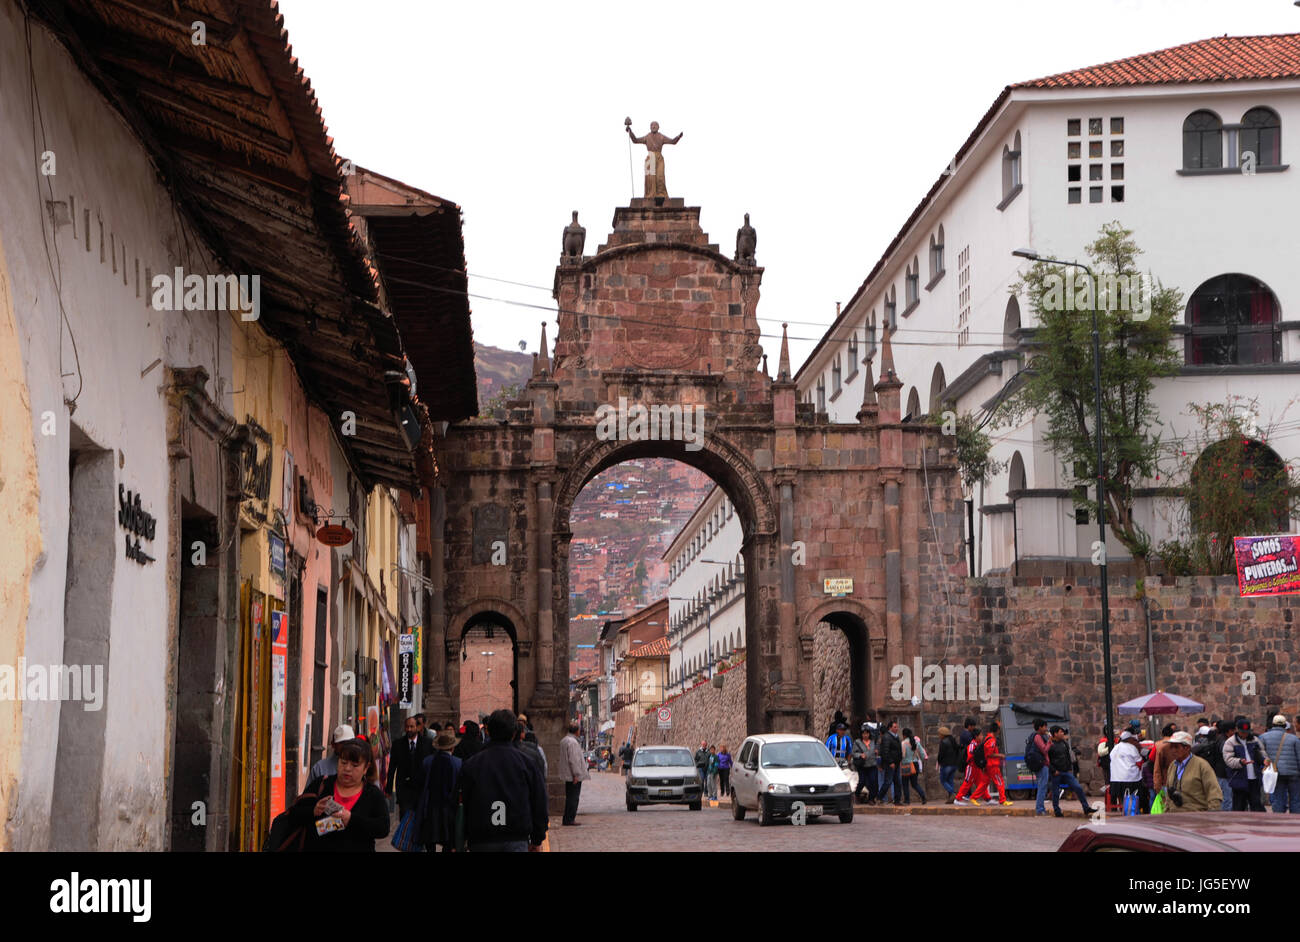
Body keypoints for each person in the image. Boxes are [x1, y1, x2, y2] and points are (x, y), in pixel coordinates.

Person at [459, 709, 548, 852]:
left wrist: (459, 839)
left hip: (481, 839)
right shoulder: (526, 764)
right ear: (514, 733)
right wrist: (537, 838)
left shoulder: (472, 765)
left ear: (488, 731)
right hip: (516, 838)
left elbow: (462, 803)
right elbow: (539, 802)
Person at [287, 737, 390, 852]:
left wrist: (351, 820)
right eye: (343, 762)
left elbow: (383, 828)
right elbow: (293, 814)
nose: (347, 768)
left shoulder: (373, 794)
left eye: (355, 765)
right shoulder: (322, 784)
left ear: (366, 768)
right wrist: (313, 810)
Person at [417, 728, 462, 852]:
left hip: (430, 807)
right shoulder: (458, 763)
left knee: (430, 839)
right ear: (452, 748)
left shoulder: (427, 761)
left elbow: (421, 784)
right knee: (448, 841)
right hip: (449, 808)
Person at [1162, 731, 1222, 813]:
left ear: (1187, 748)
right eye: (1171, 747)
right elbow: (1168, 797)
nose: (1173, 750)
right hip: (1174, 818)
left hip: (1196, 818)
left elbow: (1214, 793)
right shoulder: (1173, 766)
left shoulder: (1202, 765)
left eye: (1176, 747)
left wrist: (1211, 815)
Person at [387, 715, 434, 818]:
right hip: (404, 789)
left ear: (417, 727)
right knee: (404, 818)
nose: (409, 729)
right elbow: (392, 767)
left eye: (412, 726)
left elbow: (431, 766)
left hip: (421, 789)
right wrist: (389, 788)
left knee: (420, 818)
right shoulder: (398, 744)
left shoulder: (427, 743)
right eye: (407, 727)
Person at [1047, 726, 1098, 817]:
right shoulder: (1049, 745)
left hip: (1066, 772)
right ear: (1055, 734)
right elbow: (1046, 760)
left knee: (1077, 787)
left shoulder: (1064, 743)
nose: (1062, 733)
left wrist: (1070, 768)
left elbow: (1067, 757)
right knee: (1055, 792)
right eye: (1060, 732)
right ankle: (1057, 811)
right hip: (1056, 773)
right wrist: (1053, 770)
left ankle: (1086, 808)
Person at [1223, 717, 1268, 812]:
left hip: (1254, 778)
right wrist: (1240, 762)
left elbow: (1262, 752)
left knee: (1256, 804)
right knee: (1239, 806)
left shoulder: (1255, 740)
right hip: (1239, 778)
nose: (1244, 734)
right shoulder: (1230, 742)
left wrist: (1264, 760)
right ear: (1237, 730)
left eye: (1246, 732)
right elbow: (1228, 759)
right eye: (1242, 732)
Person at [1259, 714, 1300, 814]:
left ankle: (1278, 820)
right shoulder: (1294, 739)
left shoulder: (1263, 737)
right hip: (1293, 773)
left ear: (1273, 724)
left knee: (1278, 798)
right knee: (1295, 799)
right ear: (1285, 725)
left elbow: (1260, 754)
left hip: (1276, 772)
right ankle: (1295, 822)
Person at [558, 721, 590, 826]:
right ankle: (570, 819)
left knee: (569, 797)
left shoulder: (564, 740)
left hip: (567, 774)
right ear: (577, 731)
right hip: (572, 775)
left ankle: (567, 818)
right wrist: (576, 774)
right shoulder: (573, 742)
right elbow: (574, 760)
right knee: (573, 798)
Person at [976, 720, 1013, 806]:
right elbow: (990, 753)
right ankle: (1003, 800)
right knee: (1000, 782)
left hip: (989, 765)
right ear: (997, 730)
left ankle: (974, 797)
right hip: (993, 765)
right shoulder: (992, 740)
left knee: (984, 782)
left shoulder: (988, 738)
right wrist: (1000, 755)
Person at [1110, 729, 1147, 813]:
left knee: (1122, 798)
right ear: (1129, 739)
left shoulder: (1115, 748)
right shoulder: (1131, 748)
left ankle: (1125, 811)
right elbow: (1140, 762)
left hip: (1116, 778)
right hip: (1130, 778)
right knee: (1133, 797)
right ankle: (1131, 812)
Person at [953, 724, 988, 806]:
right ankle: (958, 798)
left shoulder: (977, 744)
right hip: (972, 767)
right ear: (976, 736)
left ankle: (987, 798)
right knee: (967, 782)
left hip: (976, 768)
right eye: (981, 735)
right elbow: (970, 757)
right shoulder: (972, 745)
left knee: (981, 783)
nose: (982, 736)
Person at [1027, 718, 1053, 816]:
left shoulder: (1039, 736)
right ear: (1040, 727)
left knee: (1043, 786)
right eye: (1044, 726)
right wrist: (1050, 741)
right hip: (1042, 765)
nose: (1046, 728)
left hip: (1042, 764)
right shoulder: (1037, 737)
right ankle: (1040, 809)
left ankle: (1040, 808)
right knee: (1042, 787)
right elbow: (1044, 750)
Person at [852, 726, 881, 804]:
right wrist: (860, 755)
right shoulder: (857, 742)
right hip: (862, 765)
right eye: (864, 734)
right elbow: (854, 753)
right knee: (862, 781)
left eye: (867, 733)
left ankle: (871, 799)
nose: (865, 735)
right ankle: (857, 794)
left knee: (873, 782)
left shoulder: (873, 742)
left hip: (872, 765)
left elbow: (877, 750)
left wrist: (877, 751)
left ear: (869, 734)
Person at [879, 719, 904, 805]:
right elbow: (885, 751)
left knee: (897, 782)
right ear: (890, 728)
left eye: (897, 727)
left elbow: (898, 750)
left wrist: (899, 760)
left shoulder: (896, 737)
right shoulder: (887, 737)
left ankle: (897, 800)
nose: (897, 728)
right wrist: (890, 762)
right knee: (888, 781)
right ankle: (879, 797)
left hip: (896, 762)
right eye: (895, 727)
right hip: (891, 763)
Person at [900, 728, 928, 805]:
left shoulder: (903, 743)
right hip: (915, 764)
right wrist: (922, 759)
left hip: (906, 765)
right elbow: (922, 753)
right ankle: (923, 796)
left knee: (905, 783)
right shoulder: (916, 742)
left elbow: (902, 755)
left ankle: (907, 800)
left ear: (904, 735)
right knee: (915, 783)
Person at [936, 726, 961, 799]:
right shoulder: (952, 740)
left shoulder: (943, 742)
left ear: (942, 734)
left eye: (939, 734)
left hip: (946, 764)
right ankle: (951, 798)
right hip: (954, 764)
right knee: (950, 780)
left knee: (943, 780)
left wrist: (939, 762)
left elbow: (941, 754)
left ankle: (952, 793)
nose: (939, 735)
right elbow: (957, 750)